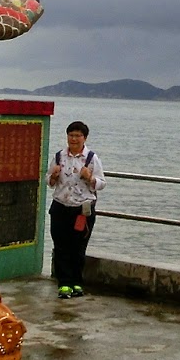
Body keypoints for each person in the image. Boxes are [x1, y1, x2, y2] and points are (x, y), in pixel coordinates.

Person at [47, 121, 104, 299]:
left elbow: (102, 183)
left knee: (78, 247)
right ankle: (64, 284)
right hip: (60, 207)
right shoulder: (58, 157)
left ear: (84, 138)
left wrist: (90, 178)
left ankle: (77, 282)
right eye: (71, 135)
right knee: (61, 246)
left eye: (78, 135)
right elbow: (48, 181)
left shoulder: (91, 158)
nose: (74, 139)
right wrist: (53, 176)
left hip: (82, 210)